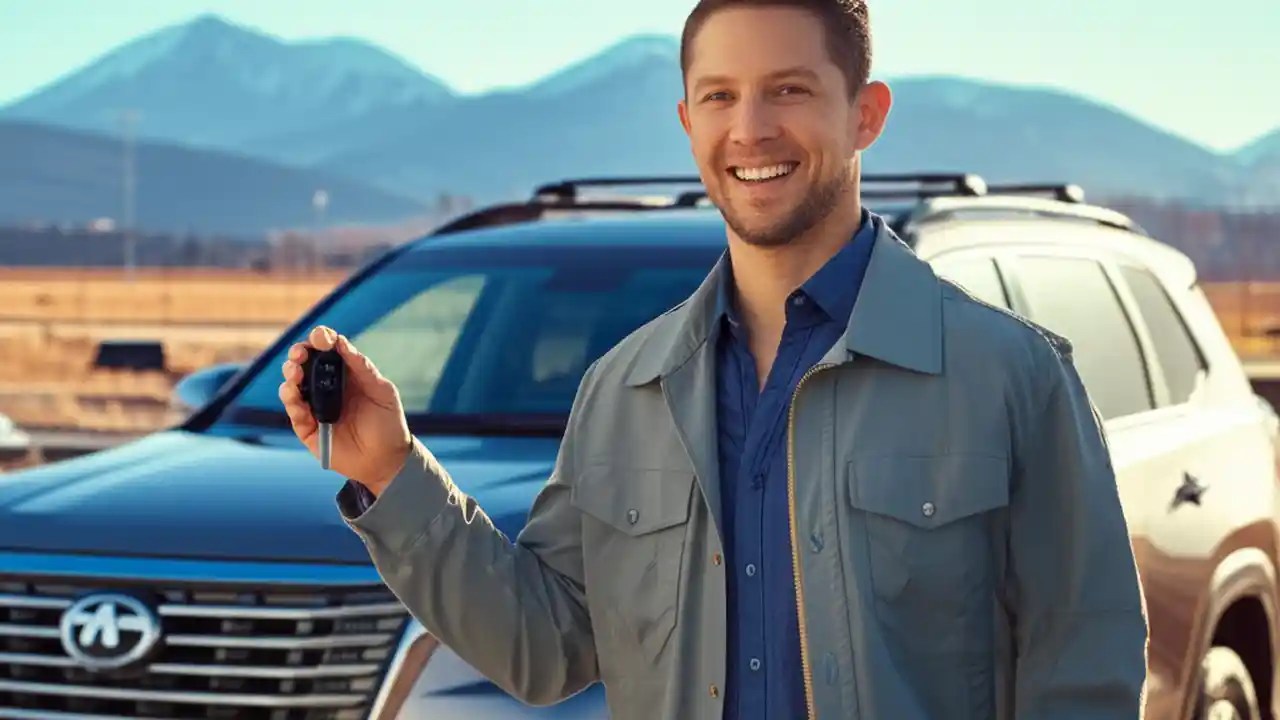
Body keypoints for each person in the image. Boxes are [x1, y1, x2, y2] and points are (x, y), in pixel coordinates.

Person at [278, 0, 1149, 718]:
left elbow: (1085, 676)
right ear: (689, 121)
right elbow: (544, 648)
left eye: (790, 90)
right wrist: (393, 471)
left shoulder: (1011, 379)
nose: (753, 129)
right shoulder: (623, 390)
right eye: (722, 96)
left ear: (866, 114)